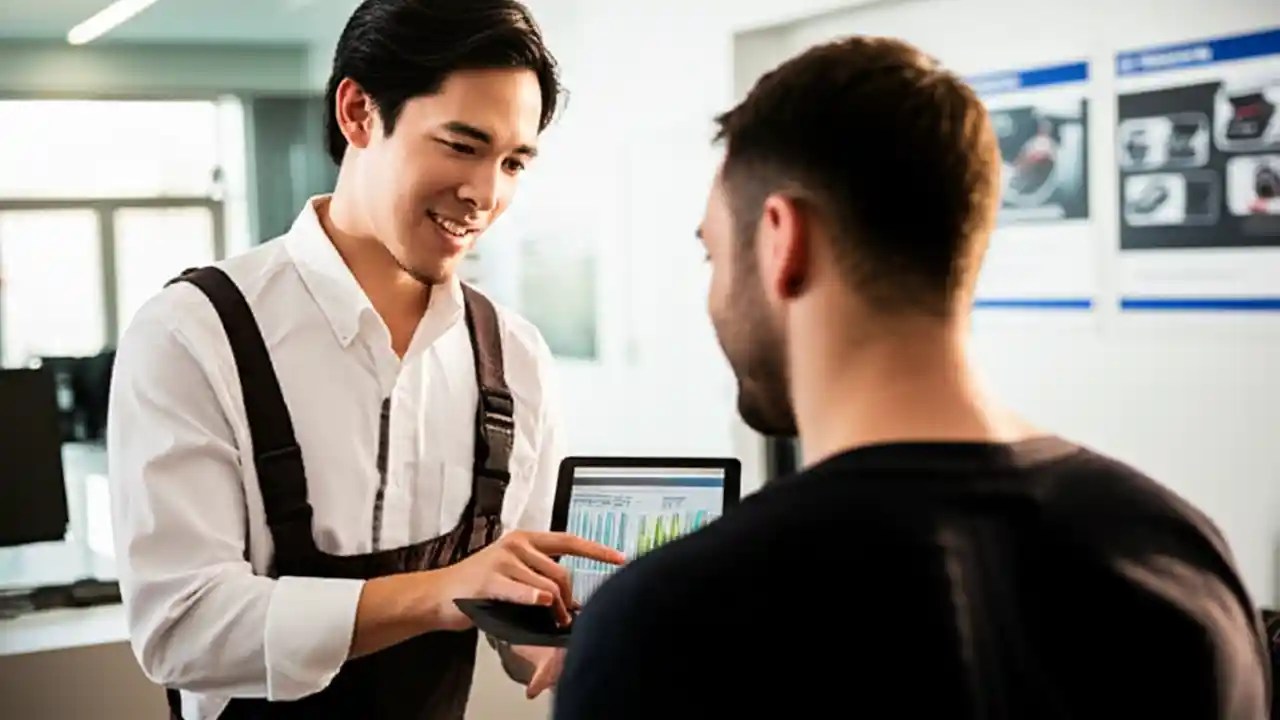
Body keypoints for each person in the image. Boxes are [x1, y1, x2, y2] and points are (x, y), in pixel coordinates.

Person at [552, 36, 1272, 719]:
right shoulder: (1183, 554)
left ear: (781, 238)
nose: (712, 292)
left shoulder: (670, 624)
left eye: (713, 255)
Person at [106, 1, 624, 718]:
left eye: (513, 161)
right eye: (460, 145)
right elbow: (180, 628)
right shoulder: (193, 334)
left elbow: (516, 604)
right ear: (357, 112)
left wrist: (570, 644)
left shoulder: (516, 357)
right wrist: (439, 593)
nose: (487, 194)